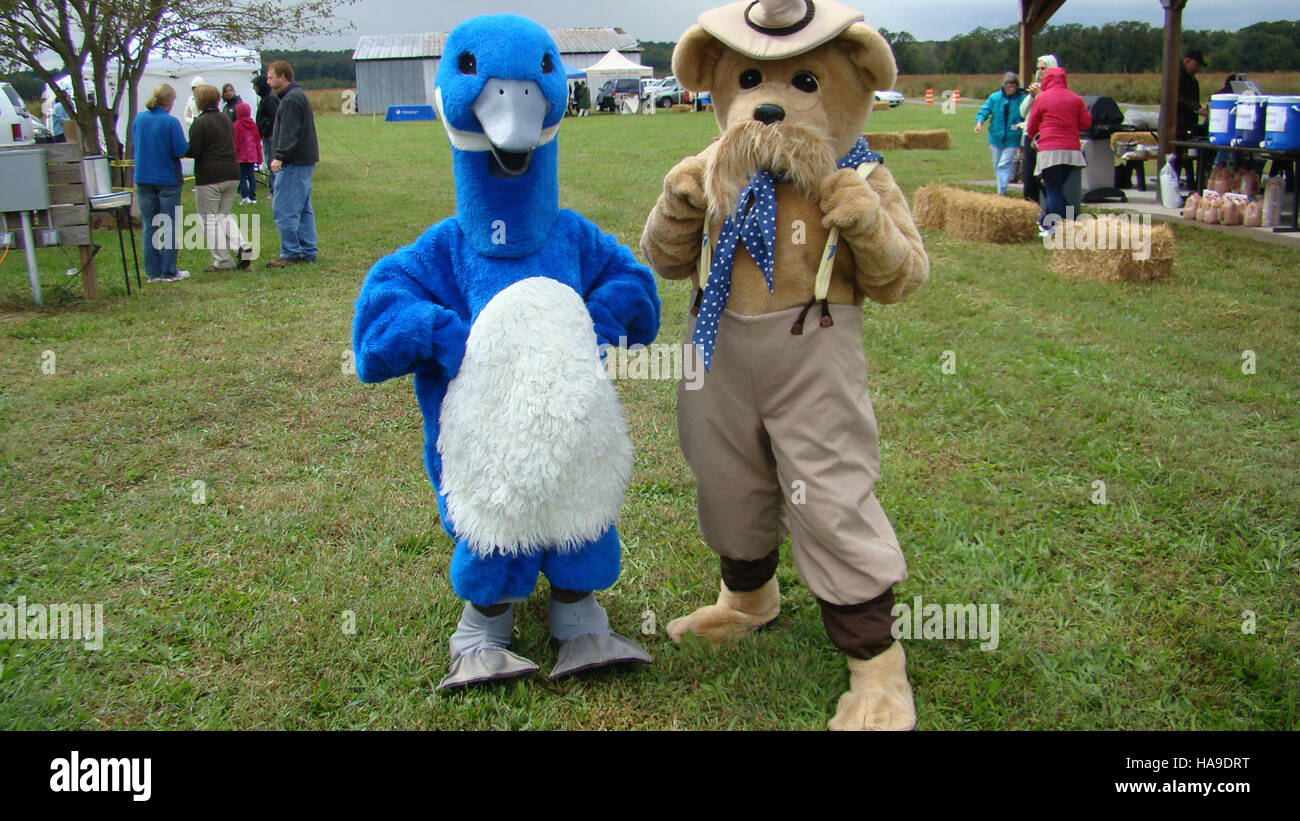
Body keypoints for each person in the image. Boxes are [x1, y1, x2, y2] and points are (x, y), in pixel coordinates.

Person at [186, 84, 252, 272]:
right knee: (222, 215)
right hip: (232, 172)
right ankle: (241, 244)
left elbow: (194, 150)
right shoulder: (225, 117)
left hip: (209, 176)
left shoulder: (199, 123)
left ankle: (222, 260)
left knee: (209, 220)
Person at [131, 83, 190, 283]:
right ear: (170, 101)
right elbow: (181, 150)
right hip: (167, 180)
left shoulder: (139, 119)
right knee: (169, 226)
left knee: (149, 227)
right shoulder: (171, 122)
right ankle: (169, 271)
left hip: (143, 178)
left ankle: (152, 272)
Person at [1025, 66, 1090, 235]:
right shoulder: (1076, 99)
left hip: (1050, 150)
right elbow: (1085, 123)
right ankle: (1048, 221)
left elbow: (1031, 124)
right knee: (1057, 189)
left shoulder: (1042, 98)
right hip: (1072, 152)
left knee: (1053, 190)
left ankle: (1055, 227)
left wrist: (1033, 137)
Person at [267, 60, 319, 267]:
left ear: (283, 76)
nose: (268, 81)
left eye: (271, 76)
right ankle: (307, 250)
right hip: (303, 161)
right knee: (304, 209)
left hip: (294, 163)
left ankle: (290, 252)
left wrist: (279, 156)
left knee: (284, 208)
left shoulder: (291, 100)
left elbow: (290, 132)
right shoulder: (295, 97)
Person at [975, 71, 1028, 195]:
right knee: (997, 165)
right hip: (996, 137)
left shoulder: (1022, 99)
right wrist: (979, 122)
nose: (1011, 89)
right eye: (1009, 86)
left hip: (1012, 138)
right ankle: (1001, 189)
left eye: (1014, 86)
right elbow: (985, 110)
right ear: (1004, 86)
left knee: (1004, 164)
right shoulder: (995, 98)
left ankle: (1001, 191)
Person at [1018, 54, 1057, 204]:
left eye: (1044, 68)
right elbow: (1022, 112)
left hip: (1047, 136)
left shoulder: (1056, 88)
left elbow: (1052, 107)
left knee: (1045, 177)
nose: (1040, 72)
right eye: (1038, 68)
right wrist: (1031, 96)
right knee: (1029, 176)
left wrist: (1041, 94)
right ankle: (1030, 207)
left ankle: (1054, 210)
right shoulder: (1035, 87)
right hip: (1030, 134)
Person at [1174, 49, 1208, 189]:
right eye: (1196, 64)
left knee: (1184, 156)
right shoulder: (1177, 76)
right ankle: (1173, 183)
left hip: (1188, 122)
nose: (1198, 68)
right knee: (1176, 155)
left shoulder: (1192, 79)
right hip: (1178, 122)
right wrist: (1196, 108)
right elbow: (1178, 97)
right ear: (1187, 61)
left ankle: (1192, 183)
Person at [253, 75, 279, 196]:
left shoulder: (270, 99)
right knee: (270, 163)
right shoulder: (265, 99)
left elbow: (272, 118)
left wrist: (264, 131)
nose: (254, 88)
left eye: (256, 86)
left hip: (271, 136)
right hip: (267, 135)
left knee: (272, 163)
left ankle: (275, 190)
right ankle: (273, 189)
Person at [233, 101, 262, 204]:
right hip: (252, 155)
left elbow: (235, 141)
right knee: (251, 175)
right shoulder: (253, 125)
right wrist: (259, 157)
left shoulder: (236, 125)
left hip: (240, 155)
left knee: (241, 176)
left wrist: (233, 153)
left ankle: (245, 196)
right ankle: (253, 196)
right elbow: (257, 141)